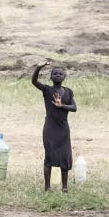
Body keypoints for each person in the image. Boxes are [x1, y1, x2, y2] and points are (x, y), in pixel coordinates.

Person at [32, 63, 77, 192]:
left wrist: (61, 105)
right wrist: (38, 68)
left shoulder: (68, 92)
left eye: (60, 74)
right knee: (50, 156)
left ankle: (65, 187)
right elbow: (34, 81)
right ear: (51, 77)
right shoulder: (47, 90)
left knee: (65, 156)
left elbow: (74, 108)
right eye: (55, 74)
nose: (58, 75)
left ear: (64, 77)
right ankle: (47, 187)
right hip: (50, 128)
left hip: (63, 128)